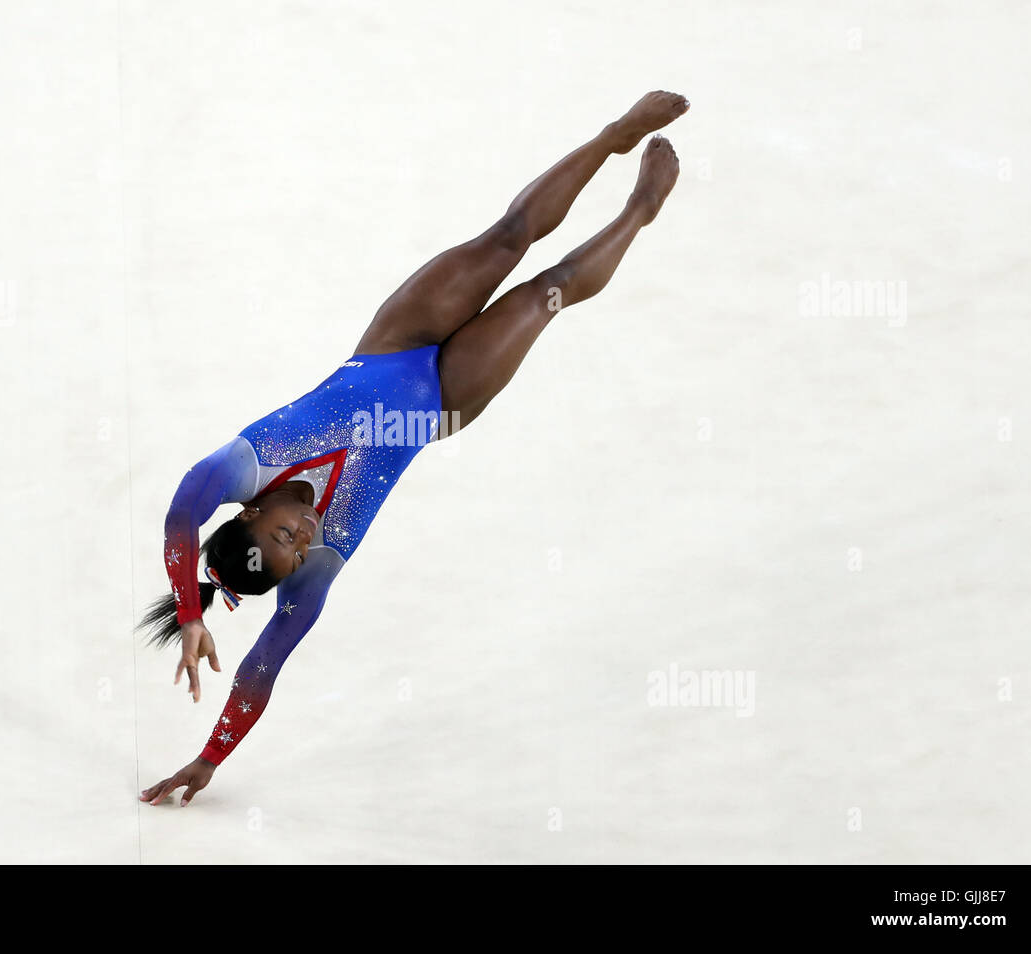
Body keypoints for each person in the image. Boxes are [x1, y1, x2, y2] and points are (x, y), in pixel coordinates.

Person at [139, 91, 689, 807]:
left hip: (393, 343)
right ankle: (640, 210)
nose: (304, 536)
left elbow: (182, 510)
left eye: (281, 533)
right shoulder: (312, 578)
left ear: (245, 514)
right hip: (443, 405)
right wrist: (211, 758)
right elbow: (260, 669)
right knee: (544, 294)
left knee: (508, 237)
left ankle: (615, 136)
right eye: (298, 550)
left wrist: (188, 613)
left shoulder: (246, 465)